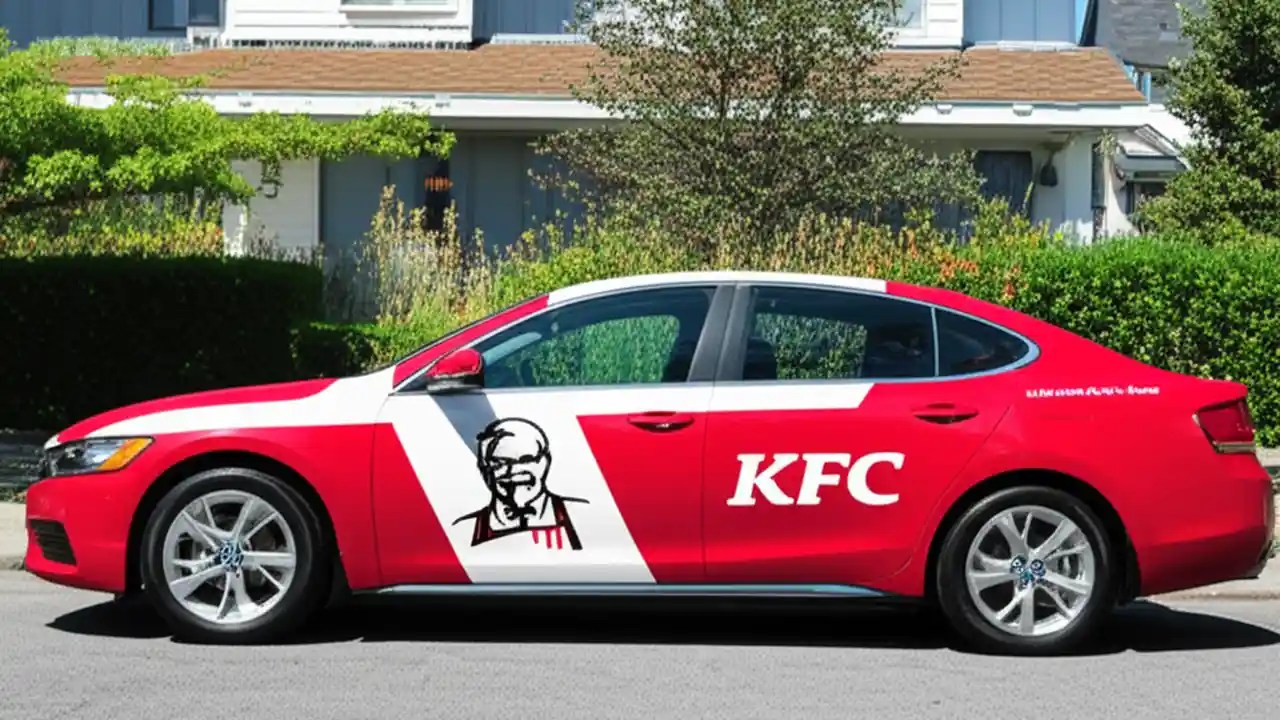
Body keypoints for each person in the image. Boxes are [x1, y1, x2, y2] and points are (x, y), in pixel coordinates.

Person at [453, 417, 586, 550]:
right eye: (501, 463)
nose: (515, 471)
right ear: (483, 469)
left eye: (526, 460)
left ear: (545, 462)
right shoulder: (463, 529)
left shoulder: (580, 515)